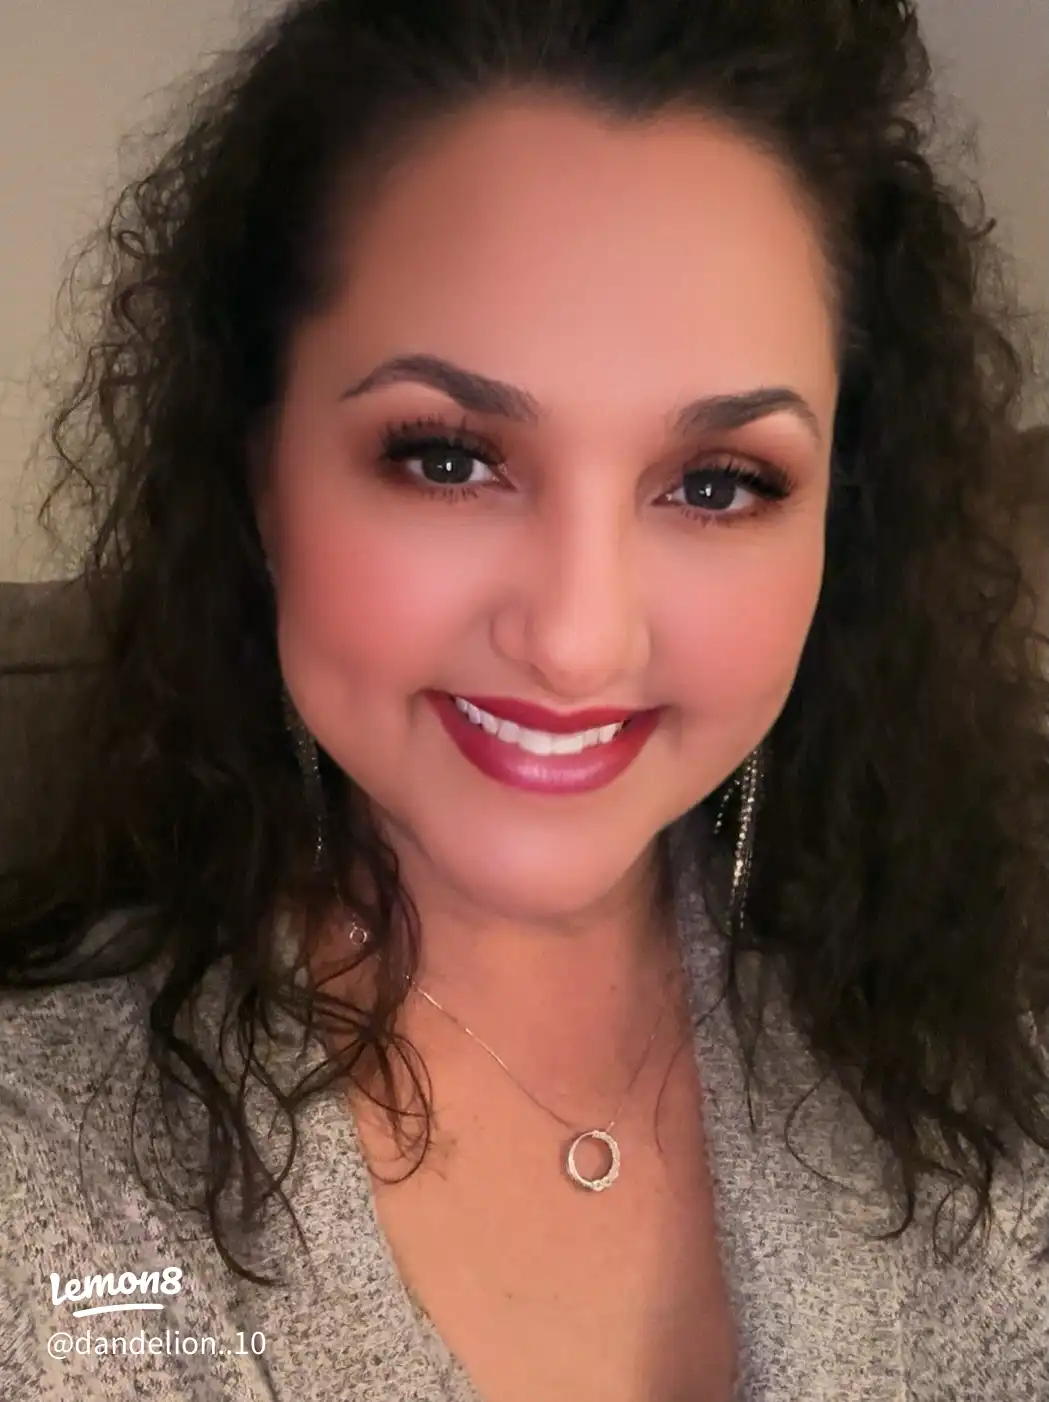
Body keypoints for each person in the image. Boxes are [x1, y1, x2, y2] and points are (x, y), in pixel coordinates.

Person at [0, 0, 1047, 1397]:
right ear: (258, 470)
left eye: (717, 483)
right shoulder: (49, 1195)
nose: (574, 637)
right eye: (447, 458)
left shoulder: (980, 1045)